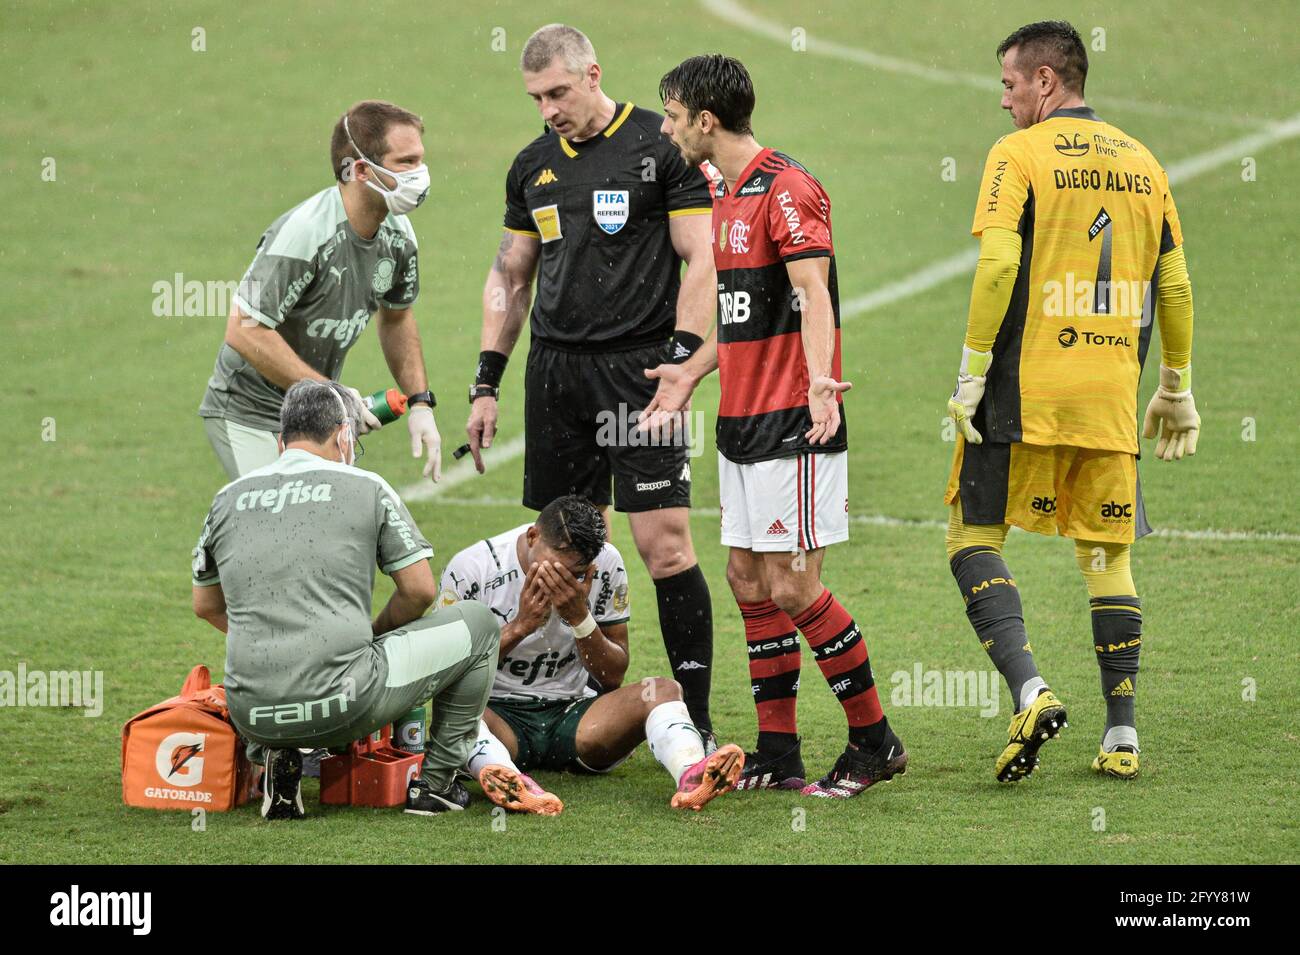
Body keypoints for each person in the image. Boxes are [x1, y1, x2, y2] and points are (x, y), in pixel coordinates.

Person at [941, 21, 1199, 781]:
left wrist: (971, 371)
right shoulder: (1144, 162)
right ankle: (1122, 734)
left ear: (1046, 81)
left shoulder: (1017, 156)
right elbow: (1176, 285)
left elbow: (997, 266)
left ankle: (1031, 688)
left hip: (1025, 385)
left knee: (972, 536)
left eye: (1010, 84)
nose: (1004, 101)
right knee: (1105, 556)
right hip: (1112, 394)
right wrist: (1175, 387)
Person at [649, 55, 907, 799]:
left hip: (795, 421)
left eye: (672, 115)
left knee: (794, 585)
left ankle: (874, 739)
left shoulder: (784, 188)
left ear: (705, 119)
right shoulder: (723, 192)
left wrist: (822, 380)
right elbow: (741, 320)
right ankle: (778, 747)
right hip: (741, 423)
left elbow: (811, 292)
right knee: (745, 576)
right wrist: (691, 373)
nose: (666, 130)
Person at [465, 24, 720, 739]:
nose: (548, 109)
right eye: (536, 97)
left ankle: (691, 716)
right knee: (561, 546)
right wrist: (486, 381)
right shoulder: (532, 165)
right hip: (556, 376)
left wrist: (683, 357)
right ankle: (572, 698)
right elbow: (511, 274)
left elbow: (702, 256)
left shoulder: (659, 147)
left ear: (593, 74)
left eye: (558, 92)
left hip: (640, 372)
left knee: (665, 545)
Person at [191, 380, 500, 819]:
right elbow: (420, 591)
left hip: (252, 712)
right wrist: (371, 635)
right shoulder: (367, 486)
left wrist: (268, 633)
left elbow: (205, 606)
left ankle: (276, 751)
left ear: (281, 442)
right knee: (480, 626)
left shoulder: (226, 499)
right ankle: (436, 785)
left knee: (276, 668)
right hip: (346, 700)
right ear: (344, 435)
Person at [438, 495, 745, 812]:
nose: (563, 580)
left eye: (575, 573)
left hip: (574, 715)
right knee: (456, 712)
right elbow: (446, 673)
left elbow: (612, 675)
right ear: (532, 537)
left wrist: (580, 619)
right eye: (555, 566)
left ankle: (692, 772)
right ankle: (513, 781)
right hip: (497, 714)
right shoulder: (472, 568)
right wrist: (520, 626)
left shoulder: (605, 563)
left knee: (663, 690)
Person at [199, 99, 443, 483]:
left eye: (420, 160)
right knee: (277, 530)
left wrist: (419, 403)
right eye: (406, 162)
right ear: (362, 170)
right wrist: (330, 392)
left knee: (328, 533)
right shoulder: (306, 234)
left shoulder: (399, 236)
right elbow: (243, 329)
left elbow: (396, 318)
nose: (422, 174)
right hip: (251, 414)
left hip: (316, 417)